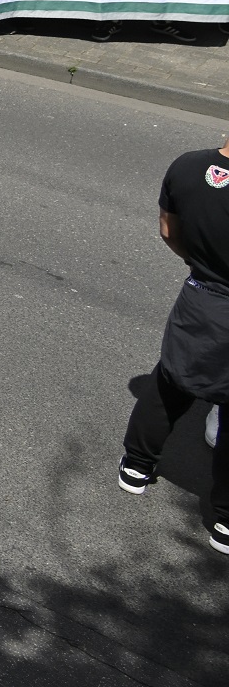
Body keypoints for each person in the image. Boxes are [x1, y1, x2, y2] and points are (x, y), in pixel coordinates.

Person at [117, 135, 229, 556]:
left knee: (170, 381)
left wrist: (200, 265)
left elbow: (168, 230)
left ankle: (136, 467)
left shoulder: (187, 167)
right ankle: (224, 521)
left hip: (200, 297)